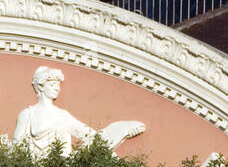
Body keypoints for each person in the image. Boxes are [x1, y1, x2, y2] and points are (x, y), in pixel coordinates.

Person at [12, 65, 144, 160]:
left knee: (100, 141)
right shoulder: (28, 114)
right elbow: (17, 145)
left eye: (58, 85)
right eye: (52, 85)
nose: (56, 88)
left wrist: (116, 137)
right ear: (40, 86)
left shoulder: (62, 115)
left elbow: (88, 134)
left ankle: (123, 129)